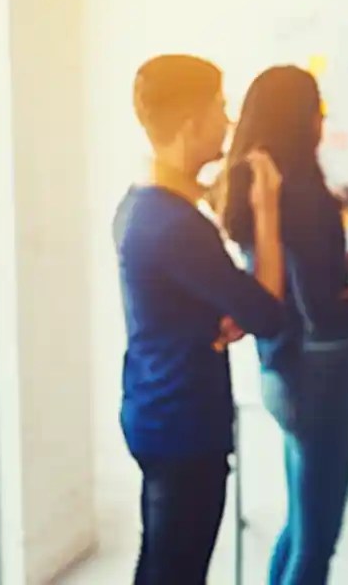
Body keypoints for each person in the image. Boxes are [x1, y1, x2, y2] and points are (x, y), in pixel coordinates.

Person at [220, 66, 348, 585]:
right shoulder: (303, 198)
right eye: (317, 111)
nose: (321, 120)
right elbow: (325, 312)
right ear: (302, 119)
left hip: (282, 370)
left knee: (300, 526)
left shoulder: (269, 192)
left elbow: (302, 287)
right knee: (317, 540)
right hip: (317, 378)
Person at [115, 54, 286, 585]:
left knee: (165, 560)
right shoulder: (177, 223)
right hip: (182, 421)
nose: (229, 123)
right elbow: (267, 312)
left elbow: (181, 299)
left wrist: (214, 316)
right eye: (220, 108)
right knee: (176, 569)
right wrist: (268, 208)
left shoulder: (140, 204)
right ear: (192, 123)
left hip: (155, 405)